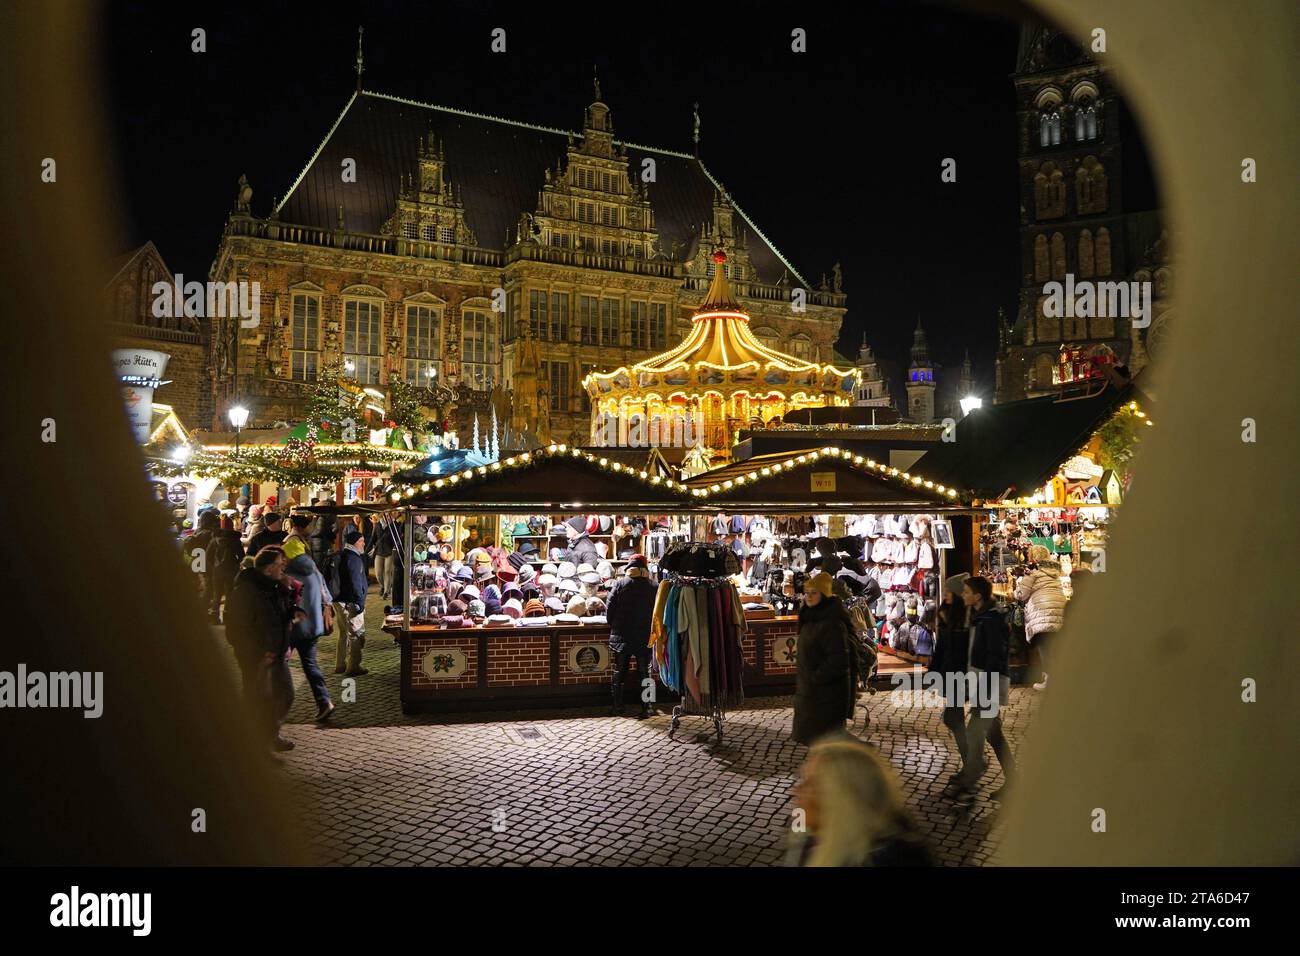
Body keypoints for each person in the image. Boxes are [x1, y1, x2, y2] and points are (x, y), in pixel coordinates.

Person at [788, 736, 936, 866]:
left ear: (841, 800)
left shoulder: (888, 860)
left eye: (812, 785)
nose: (796, 791)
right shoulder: (815, 840)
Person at [225, 547, 302, 752]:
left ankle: (268, 734)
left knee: (285, 694)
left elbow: (281, 611)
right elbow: (235, 629)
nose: (284, 568)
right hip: (257, 657)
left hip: (276, 653)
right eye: (280, 565)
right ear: (269, 569)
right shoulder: (246, 591)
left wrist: (294, 609)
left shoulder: (274, 586)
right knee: (258, 698)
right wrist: (258, 653)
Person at [954, 576, 1017, 804]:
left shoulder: (991, 618)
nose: (963, 595)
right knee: (993, 735)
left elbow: (996, 655)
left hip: (988, 683)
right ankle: (1013, 781)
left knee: (975, 732)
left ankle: (969, 784)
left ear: (978, 595)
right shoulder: (981, 616)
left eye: (967, 592)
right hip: (982, 681)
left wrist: (985, 687)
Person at [792, 571, 856, 745]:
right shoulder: (809, 617)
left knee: (826, 744)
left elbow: (838, 660)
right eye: (807, 593)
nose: (809, 597)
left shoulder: (831, 622)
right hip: (811, 694)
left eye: (814, 593)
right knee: (818, 744)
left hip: (826, 696)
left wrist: (814, 678)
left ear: (824, 595)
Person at [283, 537, 336, 721]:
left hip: (292, 627)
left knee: (279, 667)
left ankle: (273, 709)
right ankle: (324, 701)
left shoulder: (288, 574)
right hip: (313, 628)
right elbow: (327, 597)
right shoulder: (314, 570)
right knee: (311, 665)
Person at [931, 572, 971, 796]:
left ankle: (973, 766)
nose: (944, 596)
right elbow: (942, 649)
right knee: (954, 718)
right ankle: (971, 765)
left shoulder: (965, 620)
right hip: (952, 674)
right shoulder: (949, 616)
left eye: (948, 592)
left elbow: (959, 651)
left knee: (954, 718)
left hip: (963, 676)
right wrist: (933, 672)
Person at [604, 553, 657, 718]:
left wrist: (615, 626)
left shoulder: (620, 584)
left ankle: (618, 706)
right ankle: (647, 707)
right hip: (644, 636)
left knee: (619, 672)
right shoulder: (654, 586)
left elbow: (609, 611)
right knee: (645, 672)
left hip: (621, 634)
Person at [1015, 544, 1066, 691]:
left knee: (1044, 647)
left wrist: (1015, 592)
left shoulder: (1032, 572)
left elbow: (1022, 594)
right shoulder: (1055, 571)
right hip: (1059, 608)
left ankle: (1049, 682)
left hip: (1041, 611)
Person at [332, 527, 370, 677]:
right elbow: (355, 582)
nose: (364, 544)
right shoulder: (354, 559)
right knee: (356, 634)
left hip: (338, 600)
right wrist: (359, 603)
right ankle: (354, 666)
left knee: (343, 633)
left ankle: (340, 664)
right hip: (350, 602)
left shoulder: (342, 555)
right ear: (355, 542)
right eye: (361, 541)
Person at [207, 515, 246, 623]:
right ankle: (227, 617)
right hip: (231, 570)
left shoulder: (215, 540)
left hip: (217, 570)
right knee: (229, 594)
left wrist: (214, 565)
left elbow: (208, 556)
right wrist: (237, 564)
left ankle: (214, 616)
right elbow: (242, 556)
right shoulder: (235, 540)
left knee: (217, 594)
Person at [373, 514, 397, 600]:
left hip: (389, 552)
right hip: (379, 552)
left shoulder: (394, 525)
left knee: (387, 572)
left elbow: (396, 539)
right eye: (385, 515)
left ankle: (386, 592)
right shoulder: (377, 525)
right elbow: (373, 538)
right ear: (382, 516)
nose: (387, 517)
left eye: (388, 515)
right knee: (378, 574)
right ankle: (383, 586)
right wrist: (365, 552)